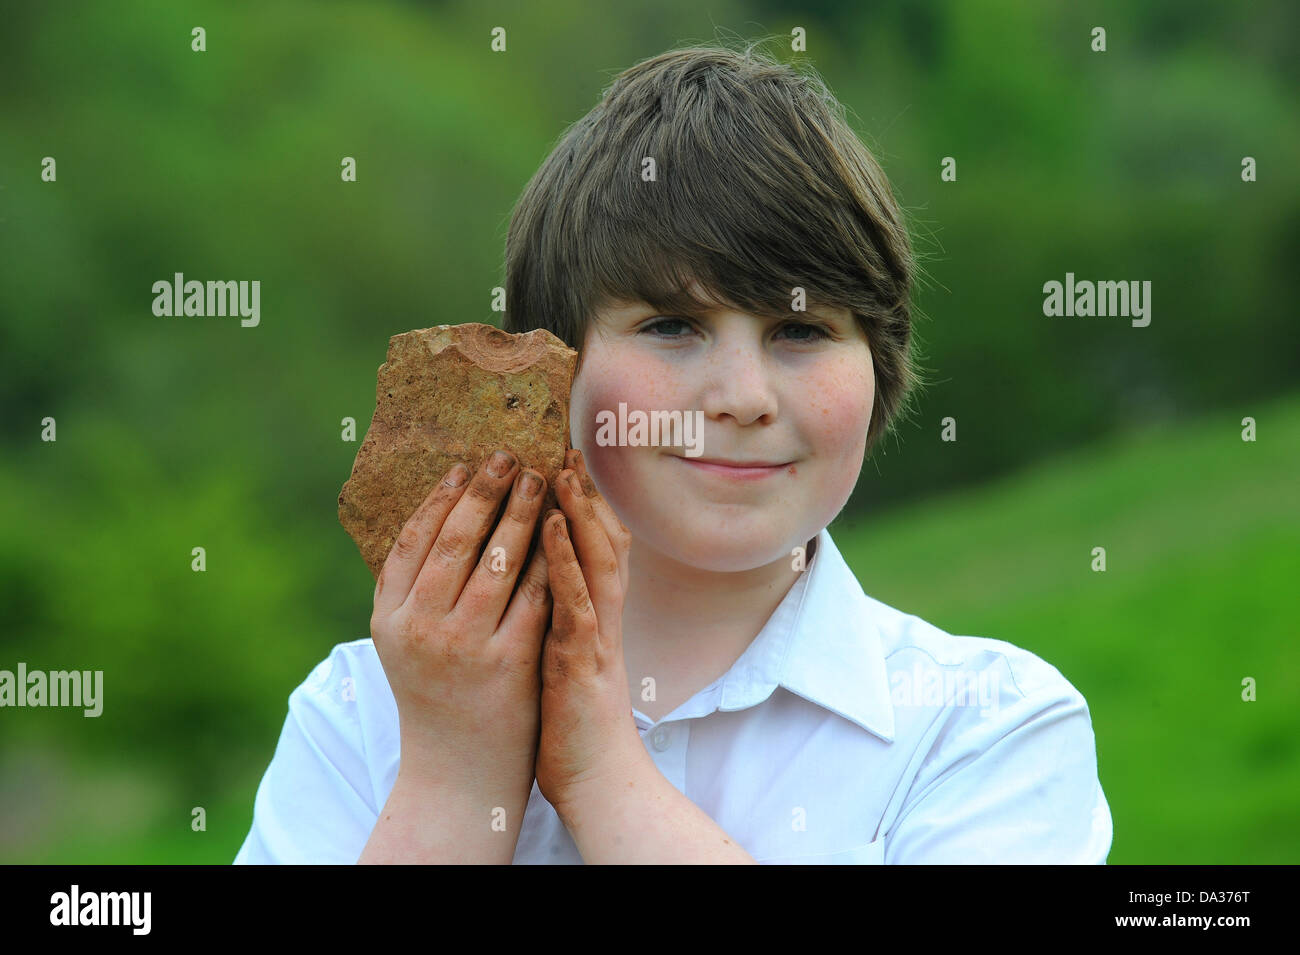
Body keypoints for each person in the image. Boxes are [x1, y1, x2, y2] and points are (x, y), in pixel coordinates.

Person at [234, 42, 1112, 864]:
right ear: (552, 370)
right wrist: (453, 777)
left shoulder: (989, 724)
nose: (742, 396)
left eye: (802, 330)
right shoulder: (367, 712)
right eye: (671, 326)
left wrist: (603, 774)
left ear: (877, 369)